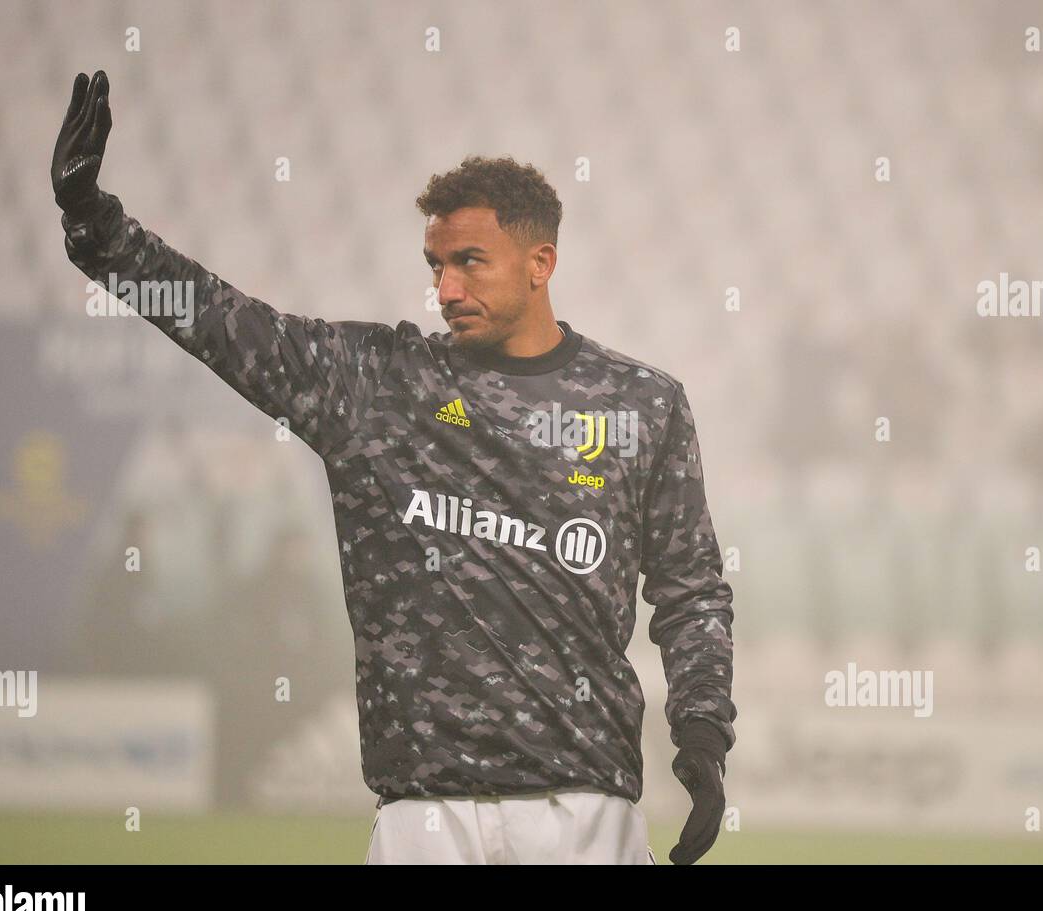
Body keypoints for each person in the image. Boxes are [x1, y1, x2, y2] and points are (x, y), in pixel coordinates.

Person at [52, 70, 736, 864]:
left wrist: (702, 731)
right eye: (435, 265)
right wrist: (97, 226)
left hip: (583, 814)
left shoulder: (642, 403)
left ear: (541, 261)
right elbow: (223, 323)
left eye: (470, 261)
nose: (446, 288)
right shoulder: (374, 384)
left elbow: (691, 590)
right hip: (423, 820)